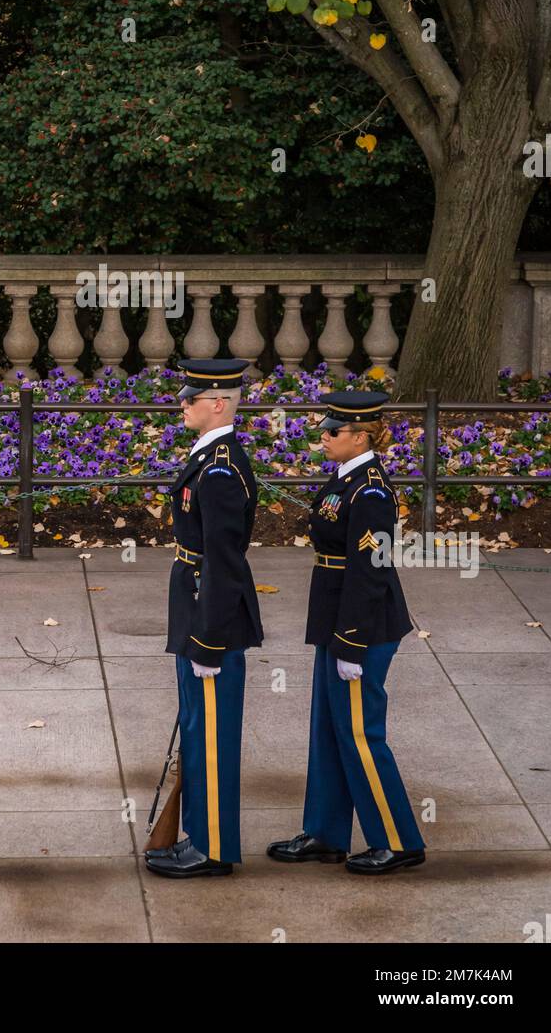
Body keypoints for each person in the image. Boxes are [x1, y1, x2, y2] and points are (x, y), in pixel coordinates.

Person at [267, 390, 426, 875]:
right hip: (335, 618)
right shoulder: (346, 479)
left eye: (333, 431)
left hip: (363, 624)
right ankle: (325, 832)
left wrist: (352, 641)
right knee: (329, 729)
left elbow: (370, 570)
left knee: (360, 733)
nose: (324, 435)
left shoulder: (371, 491)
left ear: (360, 437)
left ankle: (398, 842)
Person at [145, 358, 263, 879]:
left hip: (211, 617)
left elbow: (226, 561)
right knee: (198, 730)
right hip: (197, 607)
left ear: (218, 404)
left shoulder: (220, 470)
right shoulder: (210, 459)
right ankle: (199, 833)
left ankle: (214, 849)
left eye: (190, 398)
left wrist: (209, 642)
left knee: (212, 737)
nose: (182, 404)